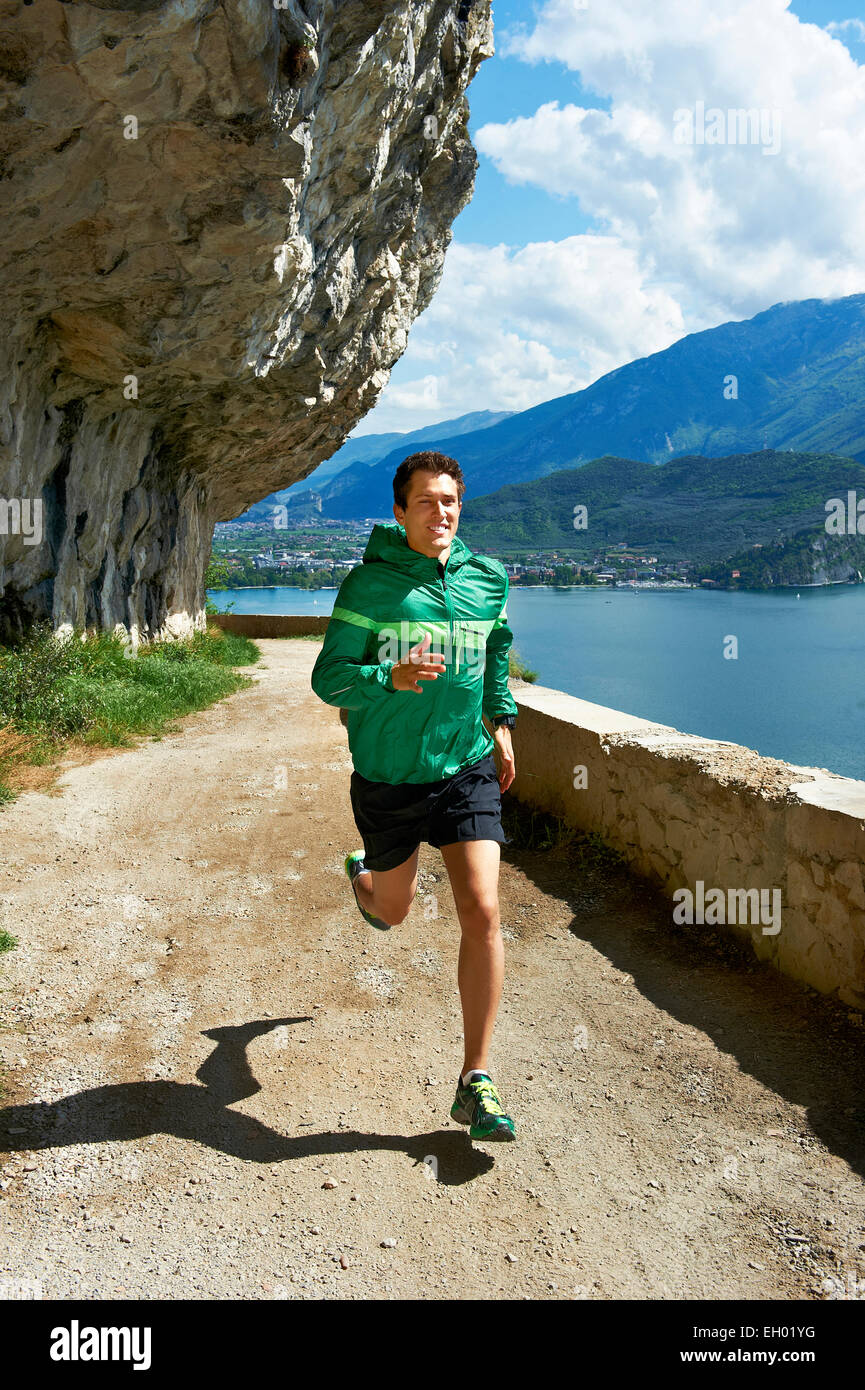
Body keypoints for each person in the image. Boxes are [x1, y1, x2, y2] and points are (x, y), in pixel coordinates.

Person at [310, 450, 518, 1141]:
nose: (441, 514)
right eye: (426, 502)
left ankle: (475, 1081)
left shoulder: (487, 580)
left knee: (483, 910)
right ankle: (365, 882)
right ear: (399, 512)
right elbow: (328, 680)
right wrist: (386, 681)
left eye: (451, 501)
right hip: (389, 780)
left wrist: (501, 723)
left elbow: (494, 654)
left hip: (465, 768)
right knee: (393, 912)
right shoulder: (370, 588)